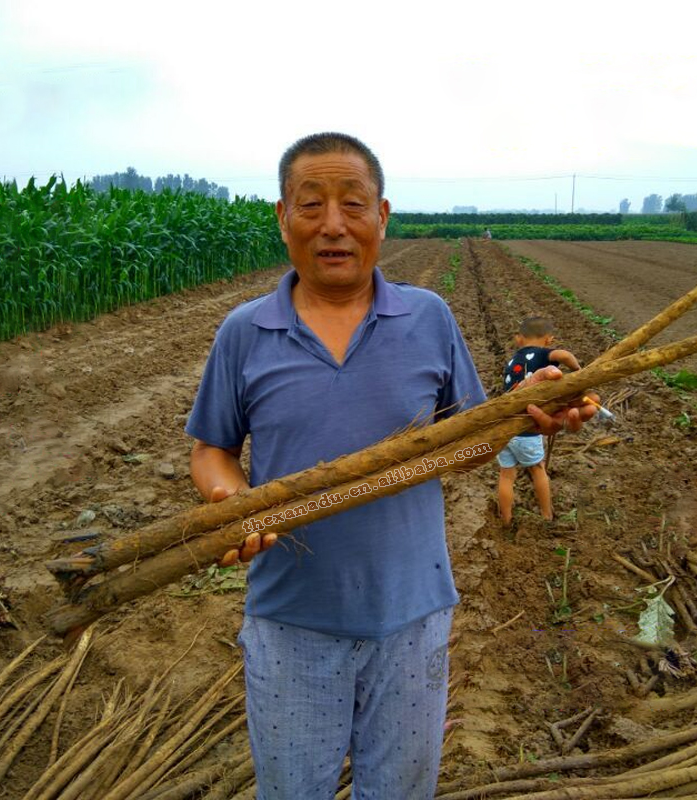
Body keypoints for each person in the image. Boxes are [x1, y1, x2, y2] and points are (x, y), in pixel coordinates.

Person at [186, 133, 595, 800]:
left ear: (382, 215)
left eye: (353, 204)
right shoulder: (244, 332)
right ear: (281, 217)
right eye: (311, 205)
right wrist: (234, 501)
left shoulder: (427, 319)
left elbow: (463, 450)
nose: (333, 225)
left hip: (412, 617)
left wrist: (520, 415)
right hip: (290, 619)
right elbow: (211, 448)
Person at [497, 316, 582, 527]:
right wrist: (579, 372)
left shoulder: (513, 360)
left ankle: (505, 520)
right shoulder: (545, 354)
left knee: (506, 476)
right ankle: (547, 516)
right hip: (526, 427)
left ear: (519, 340)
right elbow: (564, 355)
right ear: (548, 339)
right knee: (538, 469)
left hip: (504, 427)